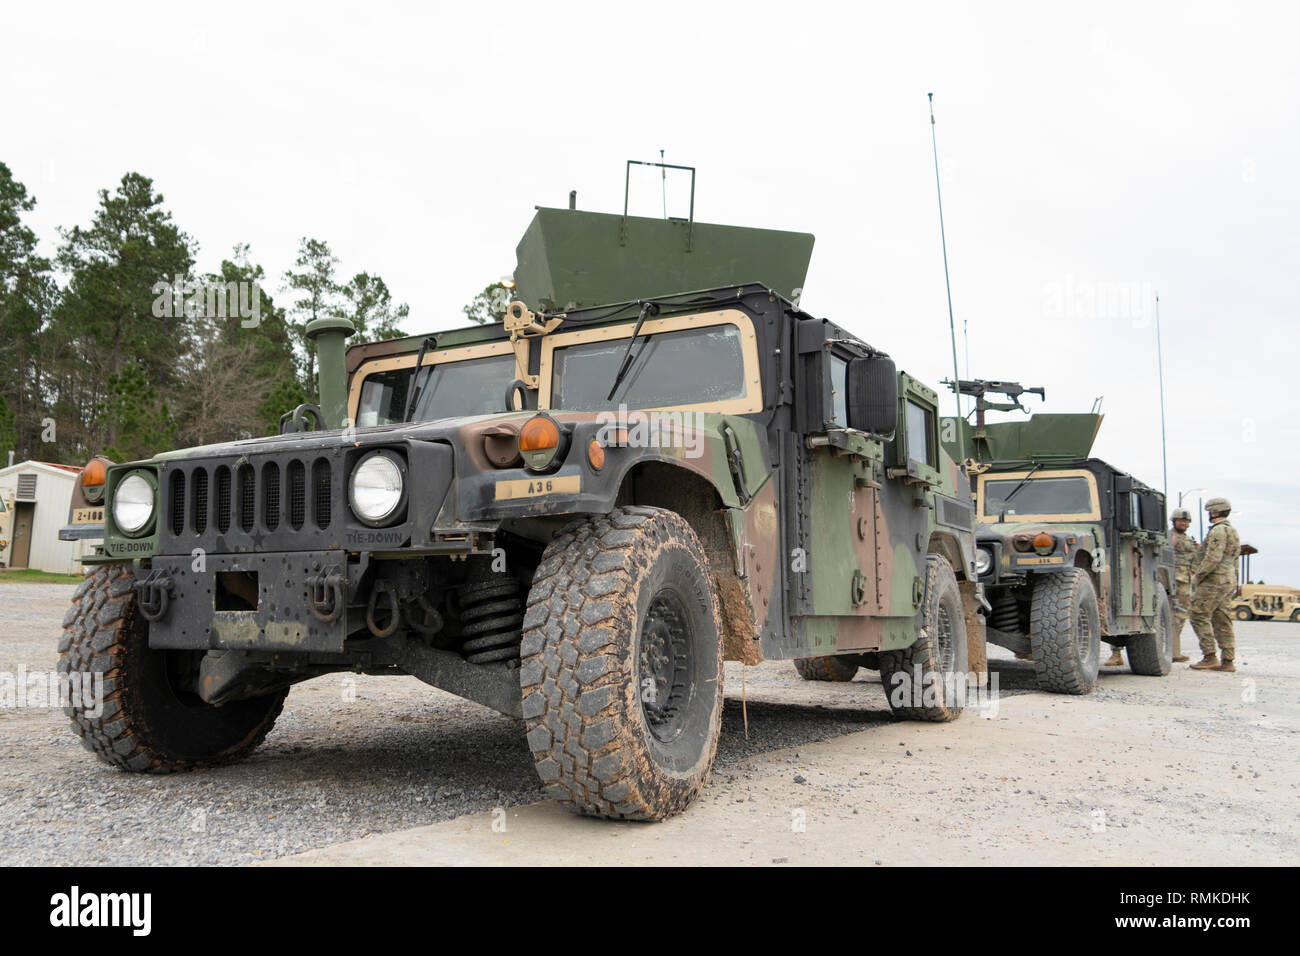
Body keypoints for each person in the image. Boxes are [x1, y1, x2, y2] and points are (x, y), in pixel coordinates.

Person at [1188, 497, 1240, 672]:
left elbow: (1213, 558)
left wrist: (1197, 576)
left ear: (1215, 512)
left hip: (1214, 579)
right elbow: (1235, 559)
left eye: (1210, 512)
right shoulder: (1233, 531)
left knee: (1198, 614)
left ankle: (1209, 656)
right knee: (1222, 618)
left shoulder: (1218, 531)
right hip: (1228, 579)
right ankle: (1228, 660)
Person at [1169, 507, 1199, 663]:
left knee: (1181, 615)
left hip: (1186, 580)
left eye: (1186, 521)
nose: (1184, 524)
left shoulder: (1188, 539)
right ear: (1174, 521)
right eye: (1181, 521)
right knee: (1176, 614)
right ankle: (1171, 649)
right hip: (1175, 579)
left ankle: (1173, 648)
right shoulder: (1170, 537)